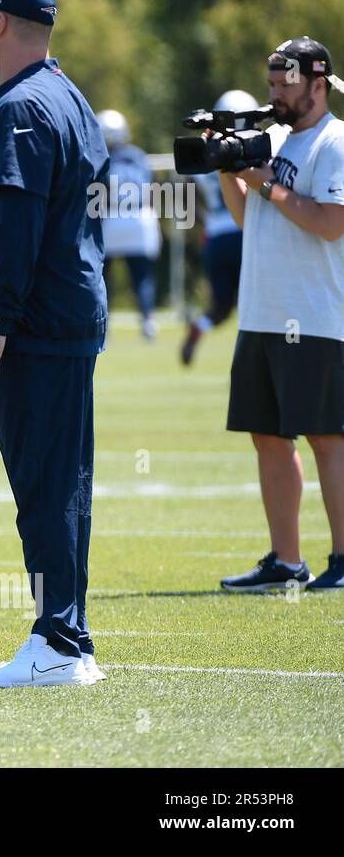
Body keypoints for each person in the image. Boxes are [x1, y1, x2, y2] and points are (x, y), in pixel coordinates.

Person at [0, 0, 109, 687]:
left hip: (37, 325)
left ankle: (58, 643)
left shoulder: (23, 107)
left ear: (2, 24)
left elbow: (19, 224)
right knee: (61, 483)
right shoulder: (64, 95)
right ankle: (66, 635)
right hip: (63, 316)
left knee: (45, 486)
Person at [217, 37, 344, 593]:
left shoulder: (335, 142)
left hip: (314, 315)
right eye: (271, 83)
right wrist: (229, 170)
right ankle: (287, 561)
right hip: (262, 312)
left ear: (318, 84)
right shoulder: (274, 139)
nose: (274, 95)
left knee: (327, 437)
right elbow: (253, 220)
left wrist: (265, 181)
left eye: (284, 83)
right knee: (268, 435)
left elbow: (330, 222)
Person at [180, 90, 258, 366]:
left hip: (216, 236)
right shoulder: (254, 147)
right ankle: (250, 363)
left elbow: (189, 196)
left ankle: (201, 325)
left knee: (221, 307)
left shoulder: (204, 151)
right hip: (247, 232)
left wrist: (207, 223)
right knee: (256, 305)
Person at [97, 109, 160, 340]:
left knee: (102, 276)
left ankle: (104, 322)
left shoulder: (100, 156)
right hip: (140, 215)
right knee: (142, 276)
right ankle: (147, 321)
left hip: (112, 217)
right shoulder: (138, 155)